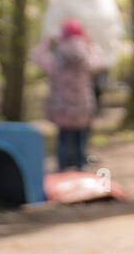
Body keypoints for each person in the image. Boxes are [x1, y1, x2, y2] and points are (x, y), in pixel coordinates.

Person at [36, 0, 124, 112]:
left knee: (97, 94)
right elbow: (52, 26)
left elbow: (113, 21)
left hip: (101, 56)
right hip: (74, 62)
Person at [42, 19, 102, 171]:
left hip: (62, 107)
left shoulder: (57, 56)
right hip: (83, 106)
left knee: (63, 138)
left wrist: (46, 43)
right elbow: (100, 63)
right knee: (81, 138)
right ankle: (81, 168)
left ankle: (63, 169)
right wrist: (91, 45)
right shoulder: (86, 54)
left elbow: (38, 58)